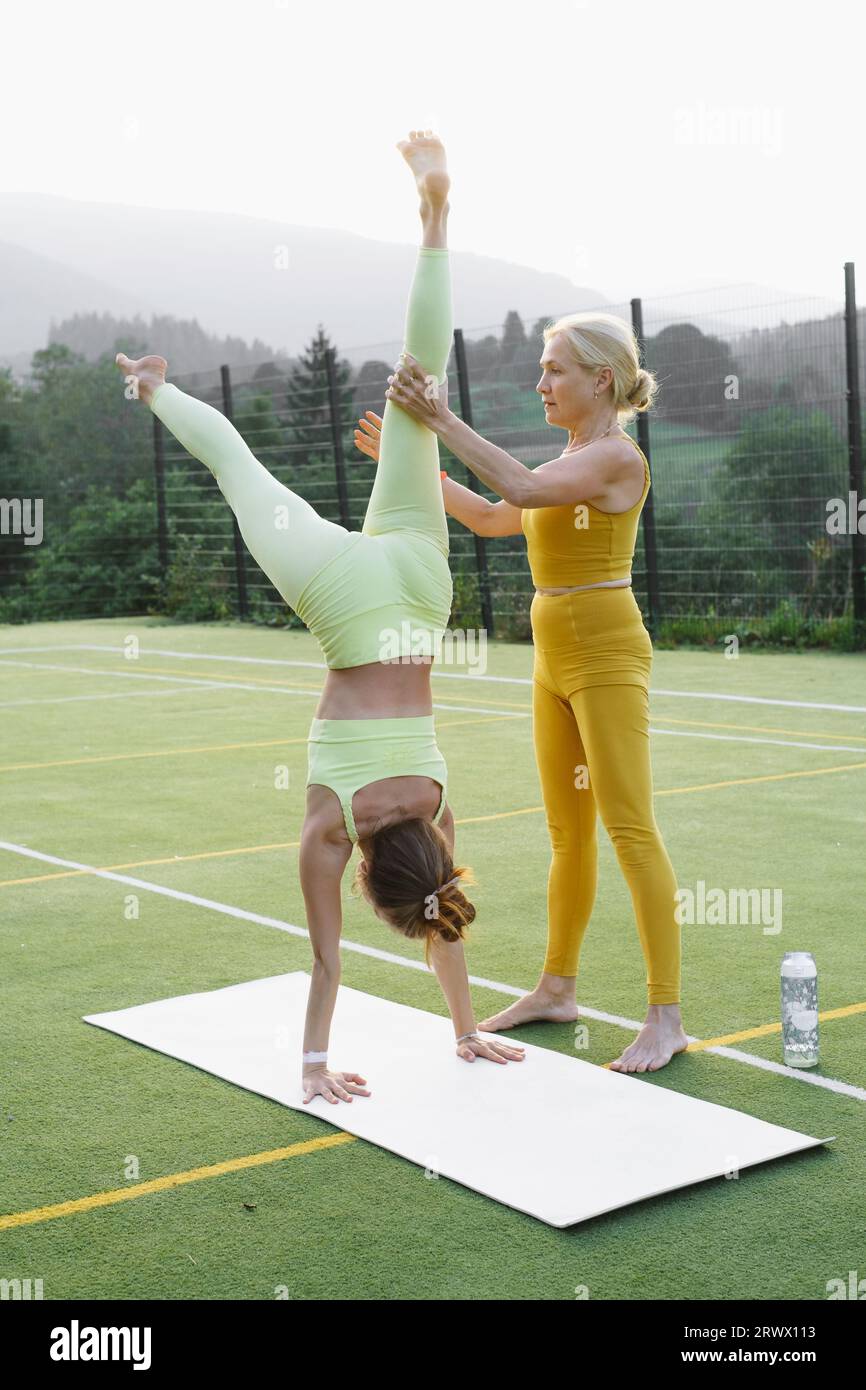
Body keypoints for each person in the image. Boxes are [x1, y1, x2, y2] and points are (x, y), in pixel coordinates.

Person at [115, 130, 524, 1105]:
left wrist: (467, 1025)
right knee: (237, 469)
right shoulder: (331, 829)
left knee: (419, 384)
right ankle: (151, 386)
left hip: (421, 586)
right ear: (365, 877)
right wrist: (313, 1068)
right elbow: (331, 964)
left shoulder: (432, 797)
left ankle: (434, 221)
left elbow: (443, 907)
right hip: (338, 594)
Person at [373, 309, 688, 1073]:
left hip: (606, 652)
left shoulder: (617, 458)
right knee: (567, 836)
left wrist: (439, 416)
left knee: (629, 829)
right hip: (553, 654)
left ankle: (666, 1016)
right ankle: (556, 989)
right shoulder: (570, 459)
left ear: (600, 379)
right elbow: (489, 514)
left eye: (554, 369)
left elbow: (515, 482)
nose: (540, 382)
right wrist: (418, 468)